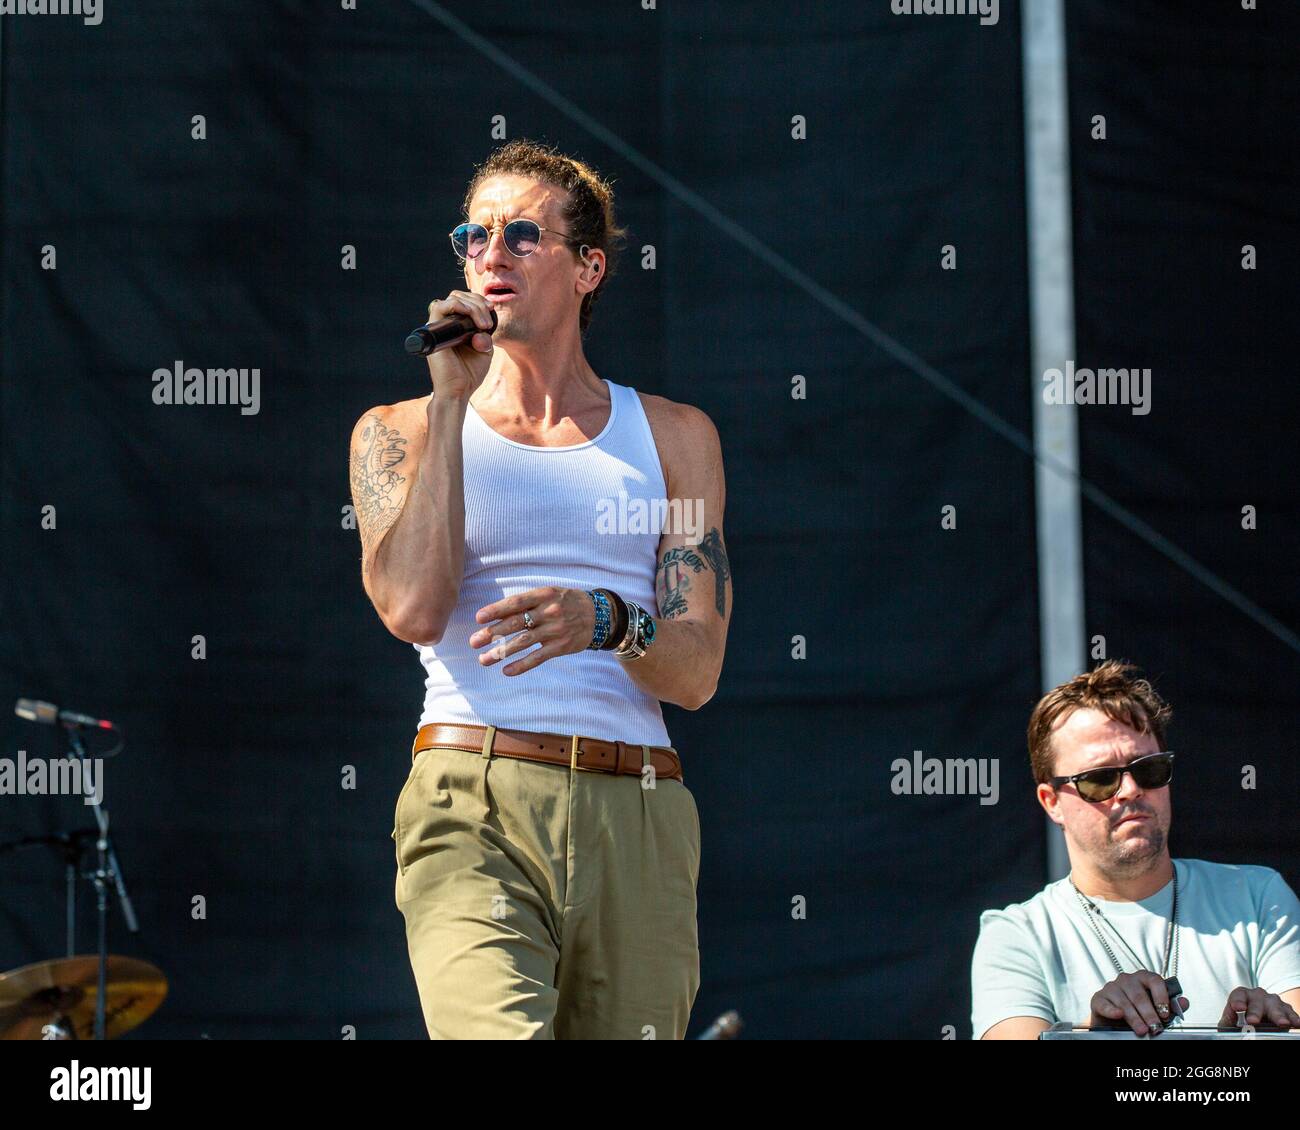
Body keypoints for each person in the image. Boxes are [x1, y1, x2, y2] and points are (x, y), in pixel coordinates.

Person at [348, 139, 732, 1039]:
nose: (490, 254)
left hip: (637, 803)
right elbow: (410, 609)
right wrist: (449, 402)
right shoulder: (397, 428)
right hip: (471, 791)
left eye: (522, 233)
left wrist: (605, 620)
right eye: (470, 236)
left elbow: (697, 671)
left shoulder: (675, 435)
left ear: (589, 267)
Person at [972, 660, 1300, 1039]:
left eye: (1149, 769)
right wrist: (1093, 1035)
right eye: (1099, 779)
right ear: (1051, 802)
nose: (1130, 789)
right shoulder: (1017, 935)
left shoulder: (1258, 897)